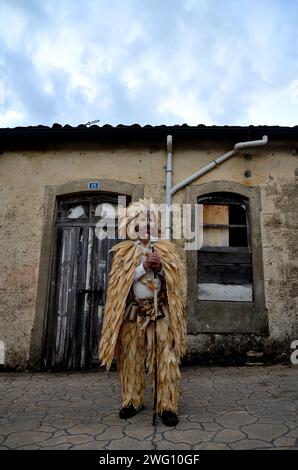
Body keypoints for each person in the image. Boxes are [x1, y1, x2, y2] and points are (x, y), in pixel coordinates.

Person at [98, 198, 186, 426]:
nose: (144, 230)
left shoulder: (166, 250)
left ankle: (167, 406)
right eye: (139, 226)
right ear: (132, 228)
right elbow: (119, 284)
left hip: (160, 313)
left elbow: (177, 284)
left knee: (166, 359)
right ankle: (132, 401)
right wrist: (142, 267)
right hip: (133, 314)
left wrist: (162, 269)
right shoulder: (124, 253)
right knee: (131, 359)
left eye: (148, 225)